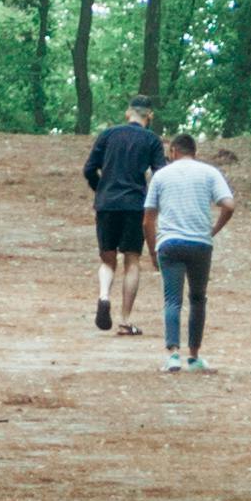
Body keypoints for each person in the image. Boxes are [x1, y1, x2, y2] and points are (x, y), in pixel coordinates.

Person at [145, 127, 234, 364]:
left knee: (172, 299)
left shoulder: (161, 176)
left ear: (173, 151)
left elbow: (148, 219)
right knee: (198, 298)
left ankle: (173, 354)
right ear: (194, 152)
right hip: (200, 243)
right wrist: (213, 230)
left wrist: (153, 251)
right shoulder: (210, 173)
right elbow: (229, 205)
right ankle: (194, 356)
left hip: (170, 243)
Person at [83, 93, 163, 335]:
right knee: (132, 261)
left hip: (107, 204)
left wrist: (101, 189)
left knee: (107, 259)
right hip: (134, 205)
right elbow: (160, 174)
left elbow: (89, 169)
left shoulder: (108, 134)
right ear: (150, 116)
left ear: (128, 113)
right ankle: (125, 320)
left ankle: (104, 296)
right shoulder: (152, 140)